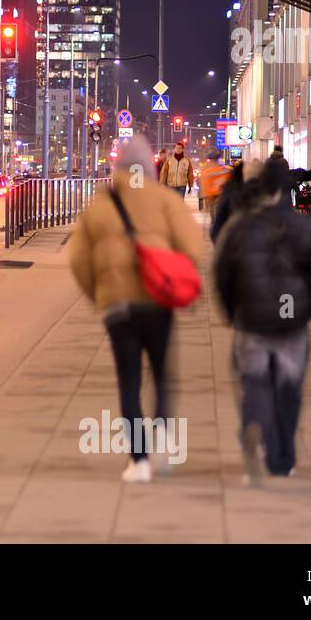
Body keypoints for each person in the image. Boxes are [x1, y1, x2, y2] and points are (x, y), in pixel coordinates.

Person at [68, 136, 205, 483]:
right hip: (158, 302)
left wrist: (99, 293)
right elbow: (193, 247)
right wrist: (173, 276)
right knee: (161, 375)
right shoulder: (163, 200)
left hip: (119, 307)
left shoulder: (102, 203)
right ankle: (162, 446)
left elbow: (79, 259)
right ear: (150, 166)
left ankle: (139, 461)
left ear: (118, 167)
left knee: (128, 380)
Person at [215, 157, 311, 483]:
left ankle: (256, 444)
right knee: (288, 389)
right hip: (292, 325)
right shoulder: (305, 227)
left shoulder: (240, 226)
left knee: (254, 385)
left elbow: (222, 272)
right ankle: (284, 459)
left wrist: (231, 311)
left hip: (251, 323)